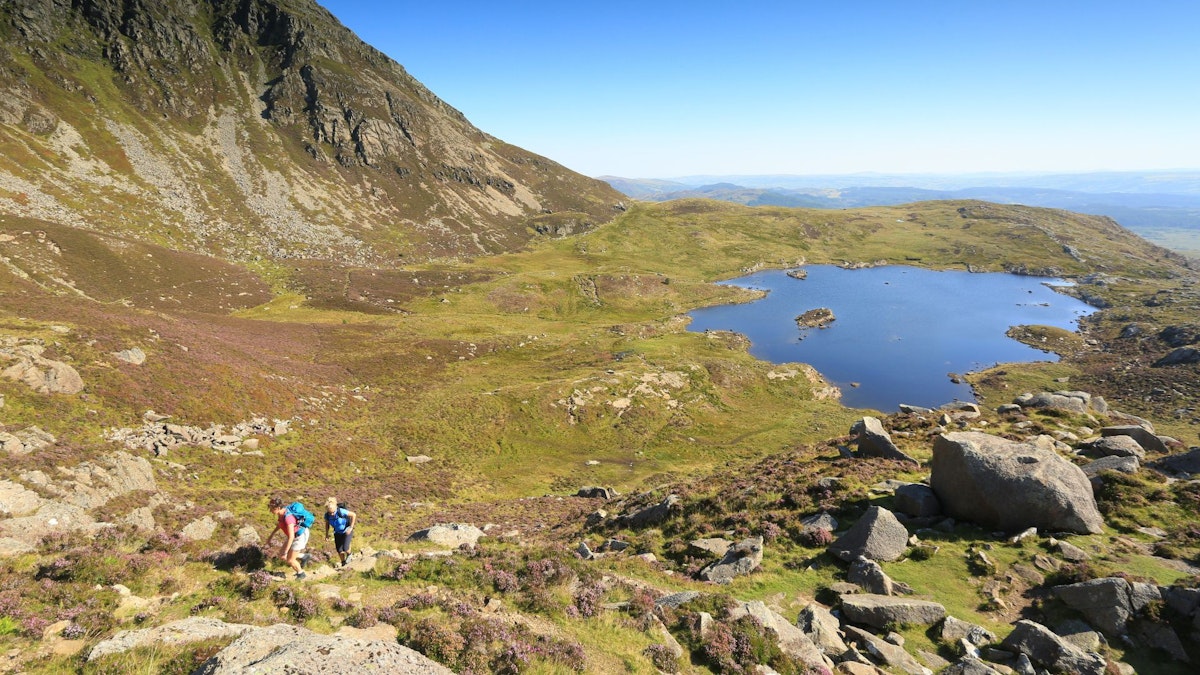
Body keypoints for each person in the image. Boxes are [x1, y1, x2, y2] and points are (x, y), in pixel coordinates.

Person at [266, 496, 309, 579]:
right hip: (292, 536)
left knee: (290, 559)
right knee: (281, 555)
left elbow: (291, 537)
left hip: (299, 536)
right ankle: (304, 556)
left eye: (272, 508)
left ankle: (301, 574)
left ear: (278, 508)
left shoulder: (288, 518)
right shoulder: (281, 514)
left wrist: (286, 552)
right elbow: (280, 525)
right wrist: (271, 535)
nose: (270, 510)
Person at [324, 497, 357, 567]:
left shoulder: (341, 511)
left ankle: (350, 555)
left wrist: (351, 528)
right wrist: (326, 535)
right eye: (330, 512)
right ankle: (343, 562)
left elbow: (354, 515)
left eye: (333, 512)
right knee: (339, 550)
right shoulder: (327, 515)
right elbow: (327, 524)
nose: (332, 514)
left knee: (346, 548)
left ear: (335, 508)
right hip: (337, 532)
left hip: (346, 530)